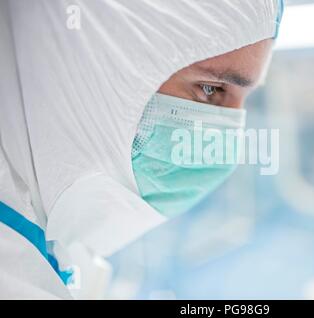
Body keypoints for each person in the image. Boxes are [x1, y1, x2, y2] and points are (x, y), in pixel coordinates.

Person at [0, 0, 283, 299]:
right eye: (211, 90)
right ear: (99, 63)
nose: (230, 148)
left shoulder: (41, 232)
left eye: (244, 100)